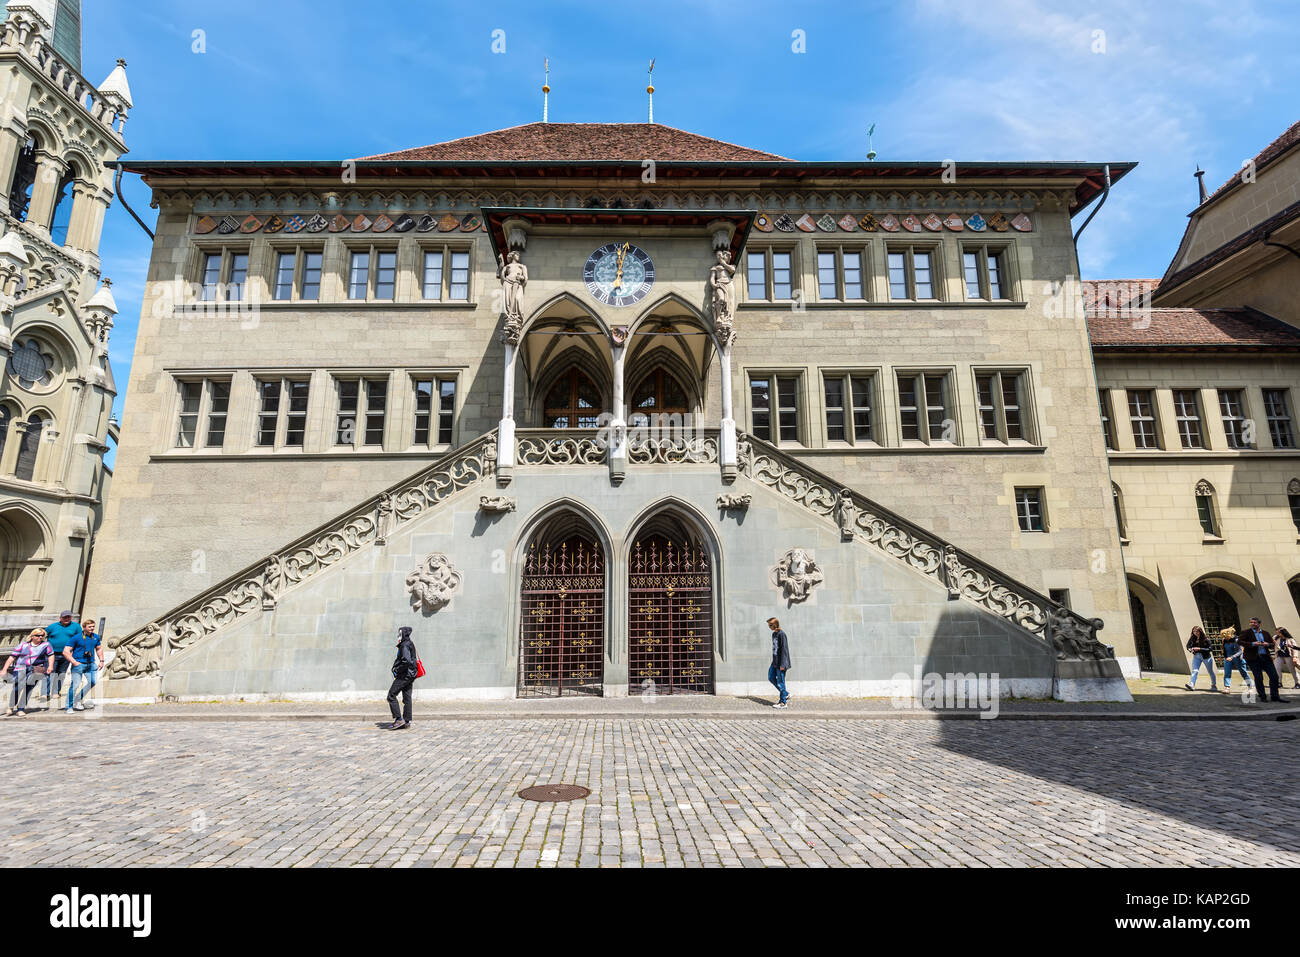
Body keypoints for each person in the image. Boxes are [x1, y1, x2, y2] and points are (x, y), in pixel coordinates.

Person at [2, 628, 53, 716]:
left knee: (28, 689)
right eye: (38, 635)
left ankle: (21, 709)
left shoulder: (46, 645)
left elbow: (51, 655)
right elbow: (12, 657)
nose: (40, 637)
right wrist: (4, 669)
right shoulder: (23, 645)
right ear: (32, 636)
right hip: (20, 668)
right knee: (17, 688)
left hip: (38, 668)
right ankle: (11, 706)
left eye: (42, 636)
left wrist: (50, 666)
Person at [63, 618, 103, 713]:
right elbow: (65, 651)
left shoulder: (96, 637)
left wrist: (101, 660)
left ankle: (77, 700)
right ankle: (69, 706)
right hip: (78, 665)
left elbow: (99, 649)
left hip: (91, 664)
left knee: (93, 682)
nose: (92, 628)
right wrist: (74, 662)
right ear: (84, 627)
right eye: (90, 627)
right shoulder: (76, 637)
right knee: (75, 685)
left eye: (93, 626)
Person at [1242, 616, 1286, 703]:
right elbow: (1240, 642)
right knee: (1259, 677)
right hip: (1253, 658)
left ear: (1259, 624)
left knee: (1274, 676)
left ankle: (1275, 696)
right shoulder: (1246, 632)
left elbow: (1272, 644)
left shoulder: (1265, 633)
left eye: (1254, 622)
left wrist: (1267, 644)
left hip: (1266, 657)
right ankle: (1262, 696)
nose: (1252, 624)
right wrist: (1253, 643)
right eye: (1251, 622)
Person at [42, 610, 80, 705]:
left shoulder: (76, 626)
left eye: (68, 617)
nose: (66, 619)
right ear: (60, 618)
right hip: (52, 654)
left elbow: (79, 638)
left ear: (71, 618)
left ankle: (55, 692)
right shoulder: (53, 626)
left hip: (66, 654)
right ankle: (44, 693)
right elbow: (42, 635)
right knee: (49, 672)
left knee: (61, 674)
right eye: (64, 617)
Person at [386, 626, 419, 730]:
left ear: (403, 634)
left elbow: (406, 661)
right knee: (407, 698)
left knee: (391, 695)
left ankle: (399, 719)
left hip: (404, 675)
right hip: (411, 675)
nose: (398, 635)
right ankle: (407, 721)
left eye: (399, 633)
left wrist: (397, 669)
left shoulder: (404, 645)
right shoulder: (410, 643)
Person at [766, 617, 791, 709]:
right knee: (771, 677)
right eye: (769, 625)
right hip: (775, 662)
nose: (769, 627)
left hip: (781, 663)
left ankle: (783, 703)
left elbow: (784, 650)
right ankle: (785, 694)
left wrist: (783, 664)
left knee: (781, 682)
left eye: (770, 625)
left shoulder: (781, 634)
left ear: (775, 624)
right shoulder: (774, 634)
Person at [1183, 626, 1218, 691]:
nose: (1195, 633)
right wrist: (1190, 650)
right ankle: (1192, 685)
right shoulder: (1193, 637)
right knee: (1194, 671)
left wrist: (1199, 648)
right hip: (1196, 656)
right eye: (1193, 631)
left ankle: (1214, 686)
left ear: (1200, 631)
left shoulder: (1206, 638)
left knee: (1210, 672)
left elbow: (1210, 649)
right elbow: (1188, 646)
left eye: (1196, 631)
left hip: (1206, 657)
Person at [1220, 627, 1252, 694]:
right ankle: (1227, 688)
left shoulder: (1237, 640)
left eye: (1224, 636)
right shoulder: (1224, 641)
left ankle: (1250, 687)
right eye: (1222, 636)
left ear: (1229, 635)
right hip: (1228, 658)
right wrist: (1226, 657)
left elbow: (1240, 651)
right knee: (1227, 673)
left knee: (1243, 673)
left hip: (1238, 658)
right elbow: (1224, 650)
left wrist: (1232, 657)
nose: (1223, 637)